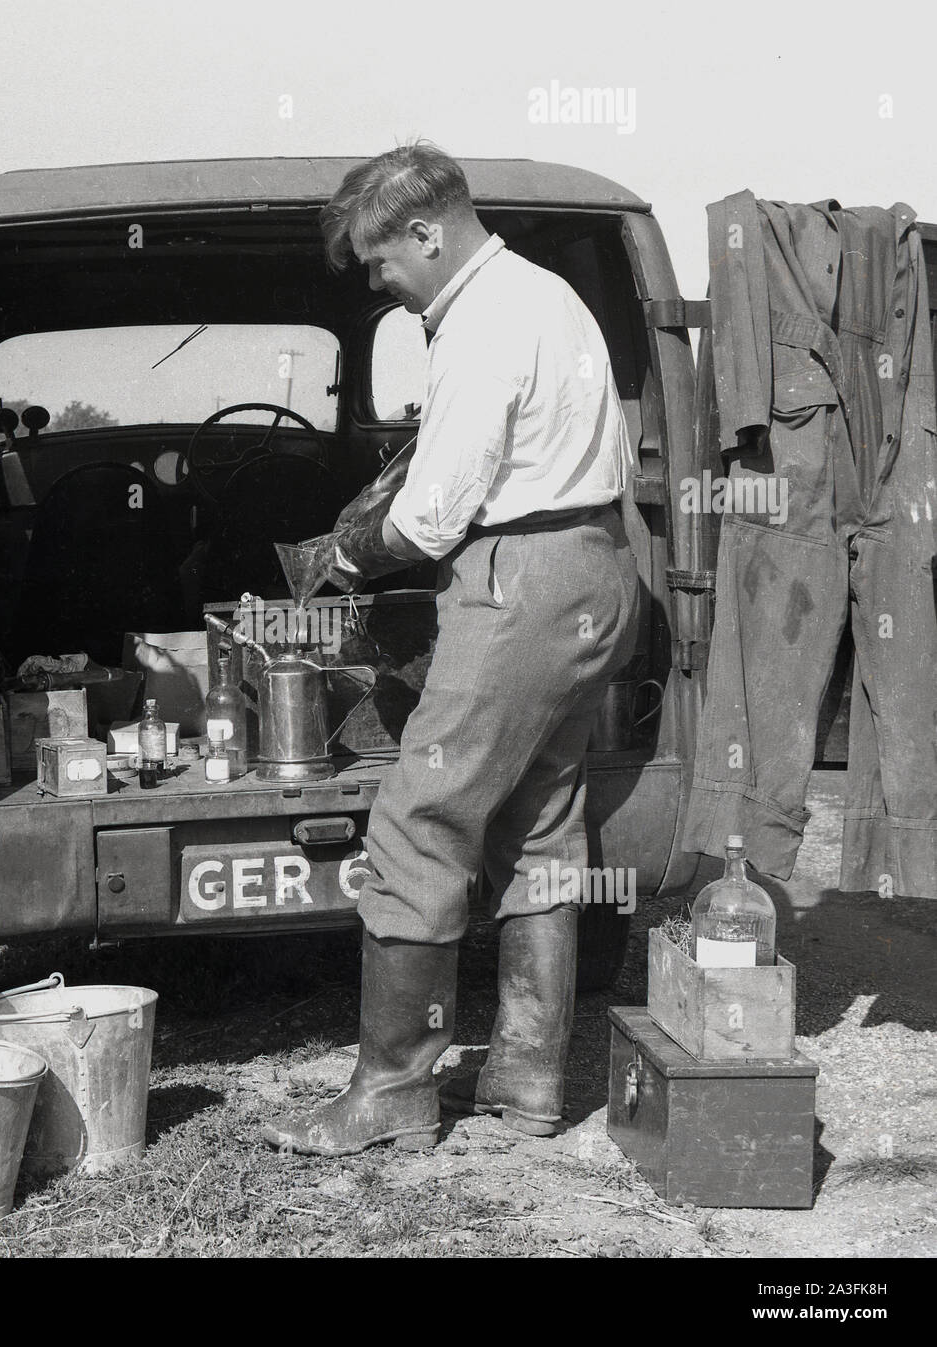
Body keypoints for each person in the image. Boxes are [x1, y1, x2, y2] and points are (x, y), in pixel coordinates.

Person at [262, 143, 640, 1156]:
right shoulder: (547, 293)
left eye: (381, 261)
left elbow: (432, 519)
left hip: (517, 582)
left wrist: (343, 554)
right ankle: (525, 1087)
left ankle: (389, 1090)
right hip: (594, 567)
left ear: (427, 234)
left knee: (419, 819)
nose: (378, 280)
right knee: (539, 825)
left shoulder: (478, 322)